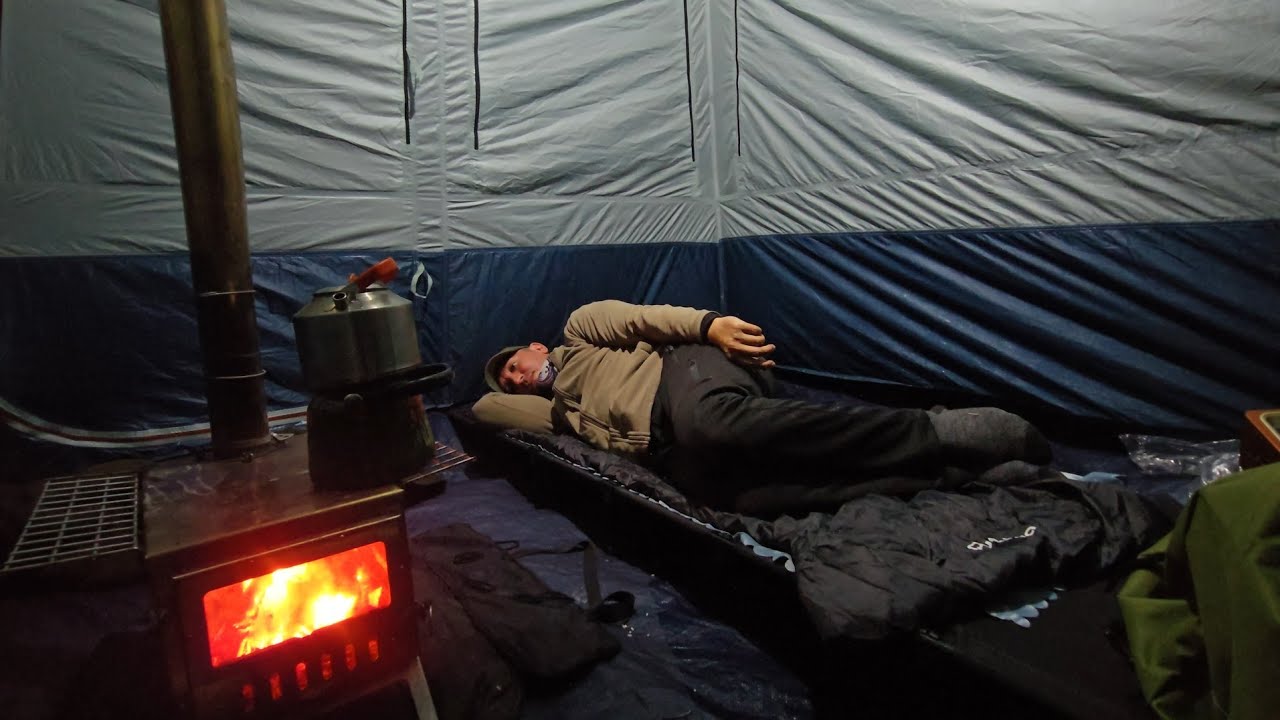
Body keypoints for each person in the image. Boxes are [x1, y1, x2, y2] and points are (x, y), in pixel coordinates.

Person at [473, 300, 1051, 510]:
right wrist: (521, 394)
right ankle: (951, 473)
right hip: (670, 440)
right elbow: (485, 412)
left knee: (710, 425)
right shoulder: (557, 413)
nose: (517, 377)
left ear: (536, 345)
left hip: (687, 367)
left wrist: (711, 324)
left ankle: (940, 431)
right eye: (511, 380)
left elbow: (641, 317)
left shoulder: (579, 330)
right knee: (736, 497)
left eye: (516, 364)